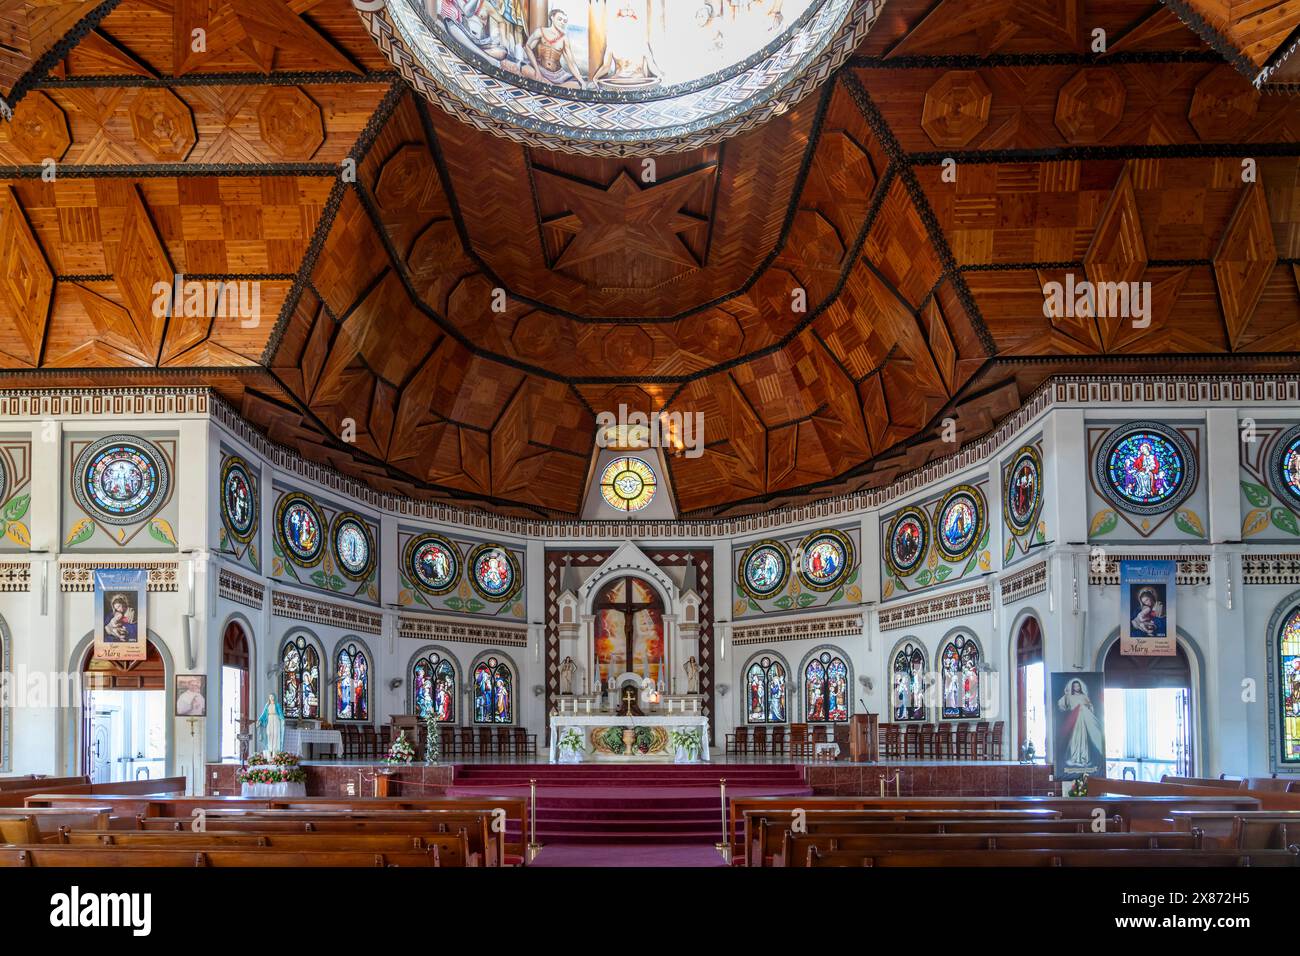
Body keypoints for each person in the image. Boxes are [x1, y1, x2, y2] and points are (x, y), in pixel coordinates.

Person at [1056, 679, 1104, 771]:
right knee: (1075, 739)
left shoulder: (1084, 696)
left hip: (1083, 720)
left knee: (1083, 739)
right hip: (1074, 720)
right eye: (1074, 686)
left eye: (1078, 686)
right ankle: (1075, 757)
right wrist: (1066, 696)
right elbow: (1062, 705)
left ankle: (1083, 758)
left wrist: (1086, 707)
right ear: (1072, 687)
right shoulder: (1069, 696)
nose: (1076, 687)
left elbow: (1091, 706)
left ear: (1080, 687)